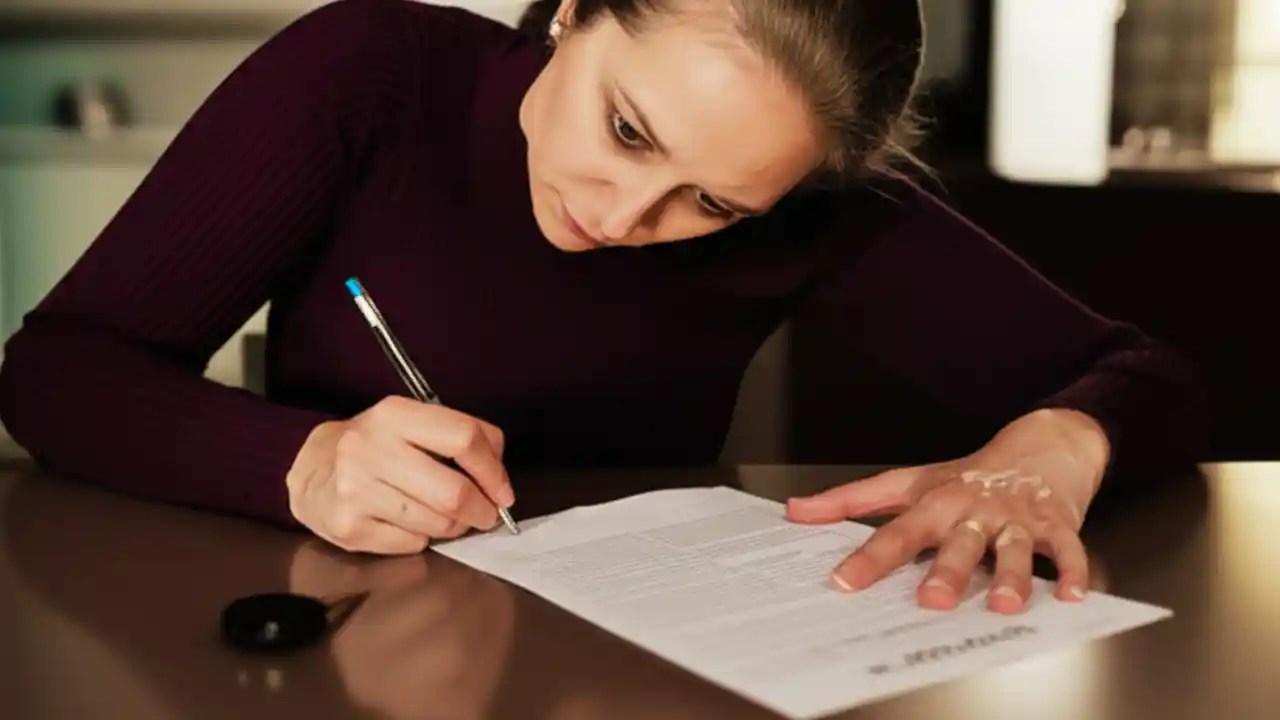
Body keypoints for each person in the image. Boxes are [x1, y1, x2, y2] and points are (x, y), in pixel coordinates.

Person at [0, 0, 1207, 616]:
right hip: (333, 632)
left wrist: (1048, 447)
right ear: (573, 7)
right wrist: (298, 461)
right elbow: (56, 369)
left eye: (712, 205)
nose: (626, 216)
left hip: (643, 649)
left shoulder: (819, 208)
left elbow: (1147, 376)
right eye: (627, 130)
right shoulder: (361, 76)